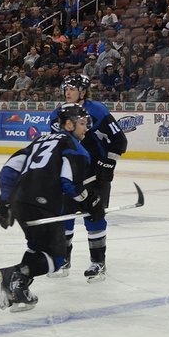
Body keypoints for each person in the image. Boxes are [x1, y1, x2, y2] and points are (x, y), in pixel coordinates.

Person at [0, 103, 101, 312]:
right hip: (45, 205)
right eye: (83, 124)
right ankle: (14, 275)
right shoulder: (76, 148)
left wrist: (5, 203)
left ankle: (17, 291)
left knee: (37, 247)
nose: (86, 129)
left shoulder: (38, 141)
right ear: (69, 124)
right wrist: (92, 203)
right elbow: (70, 184)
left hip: (20, 201)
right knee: (56, 258)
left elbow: (8, 172)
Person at [47, 74, 127, 282]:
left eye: (72, 89)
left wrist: (108, 163)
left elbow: (119, 140)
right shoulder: (57, 114)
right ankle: (63, 259)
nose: (68, 92)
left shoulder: (97, 111)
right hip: (69, 176)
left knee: (94, 217)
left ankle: (98, 262)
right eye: (66, 88)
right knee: (65, 218)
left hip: (95, 176)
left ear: (83, 91)